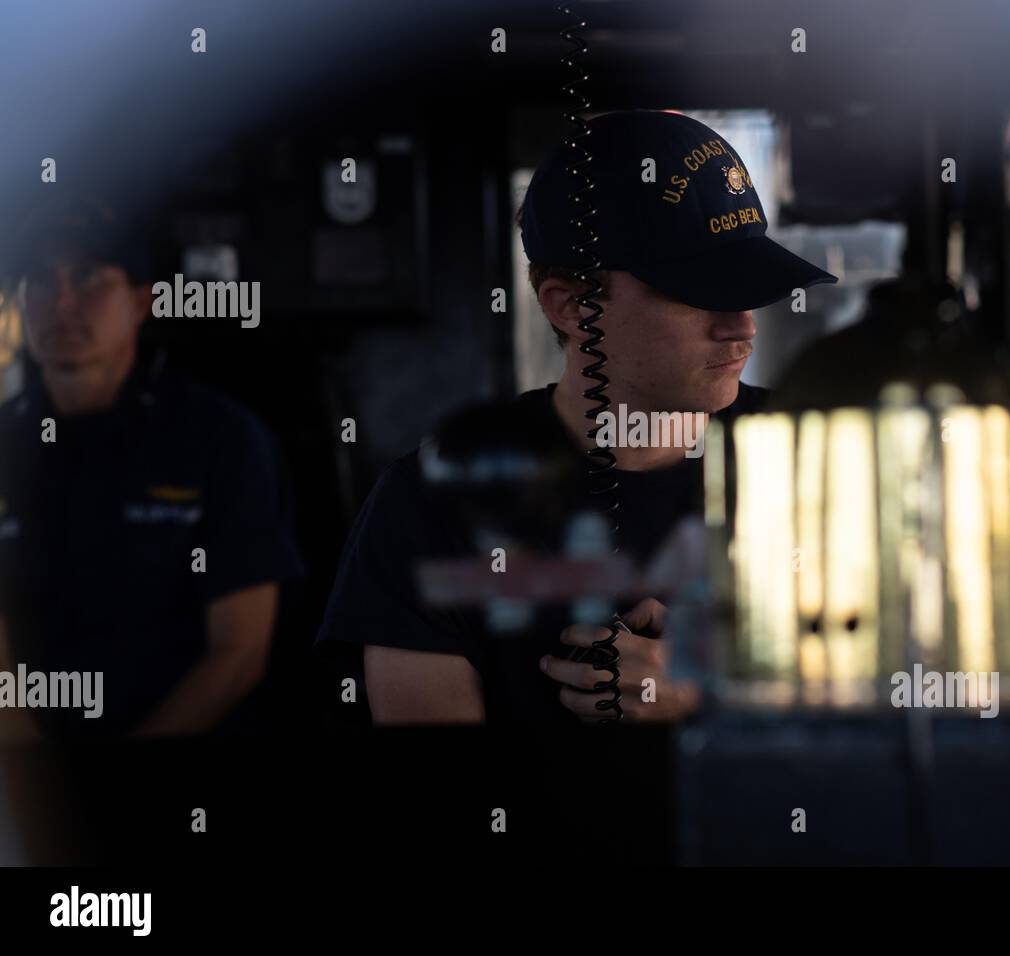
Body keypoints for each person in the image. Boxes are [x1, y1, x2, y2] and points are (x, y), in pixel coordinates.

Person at [316, 109, 837, 725]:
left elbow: (904, 721)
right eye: (695, 294)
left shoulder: (820, 460)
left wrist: (713, 694)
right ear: (569, 305)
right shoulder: (434, 500)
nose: (741, 326)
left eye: (746, 286)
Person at [0, 199, 305, 738]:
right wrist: (35, 776)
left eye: (89, 275)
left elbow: (239, 652)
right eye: (42, 279)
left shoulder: (219, 439)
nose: (63, 301)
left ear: (140, 301)